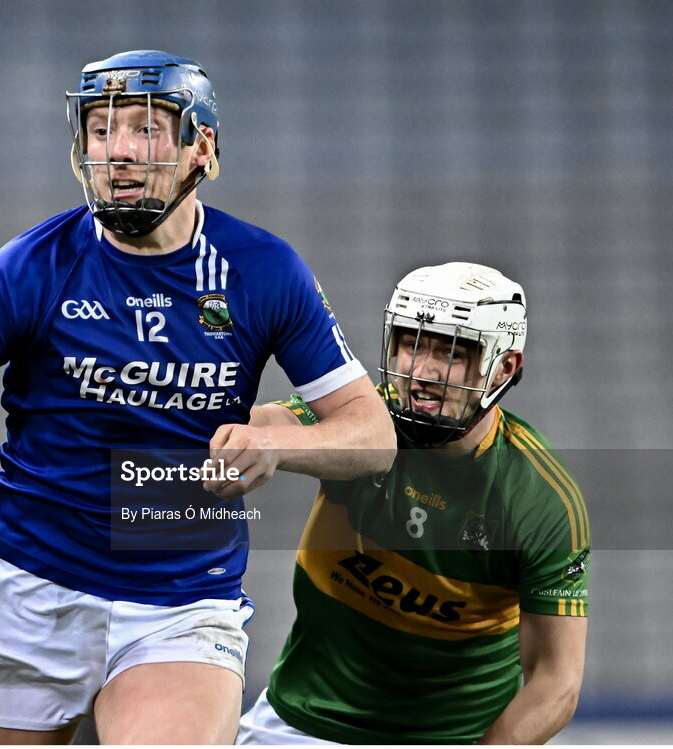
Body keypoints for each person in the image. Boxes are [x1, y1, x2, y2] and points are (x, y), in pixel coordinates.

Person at [0, 50, 396, 745]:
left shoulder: (264, 273)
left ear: (199, 146)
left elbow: (373, 434)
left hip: (180, 601)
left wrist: (279, 441)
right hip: (30, 589)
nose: (117, 150)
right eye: (99, 128)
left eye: (146, 127)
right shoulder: (29, 267)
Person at [238, 262, 590, 745]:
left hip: (455, 739)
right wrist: (239, 439)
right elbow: (271, 424)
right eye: (411, 343)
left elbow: (557, 683)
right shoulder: (363, 423)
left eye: (451, 352)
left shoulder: (540, 499)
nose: (421, 372)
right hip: (302, 725)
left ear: (504, 366)